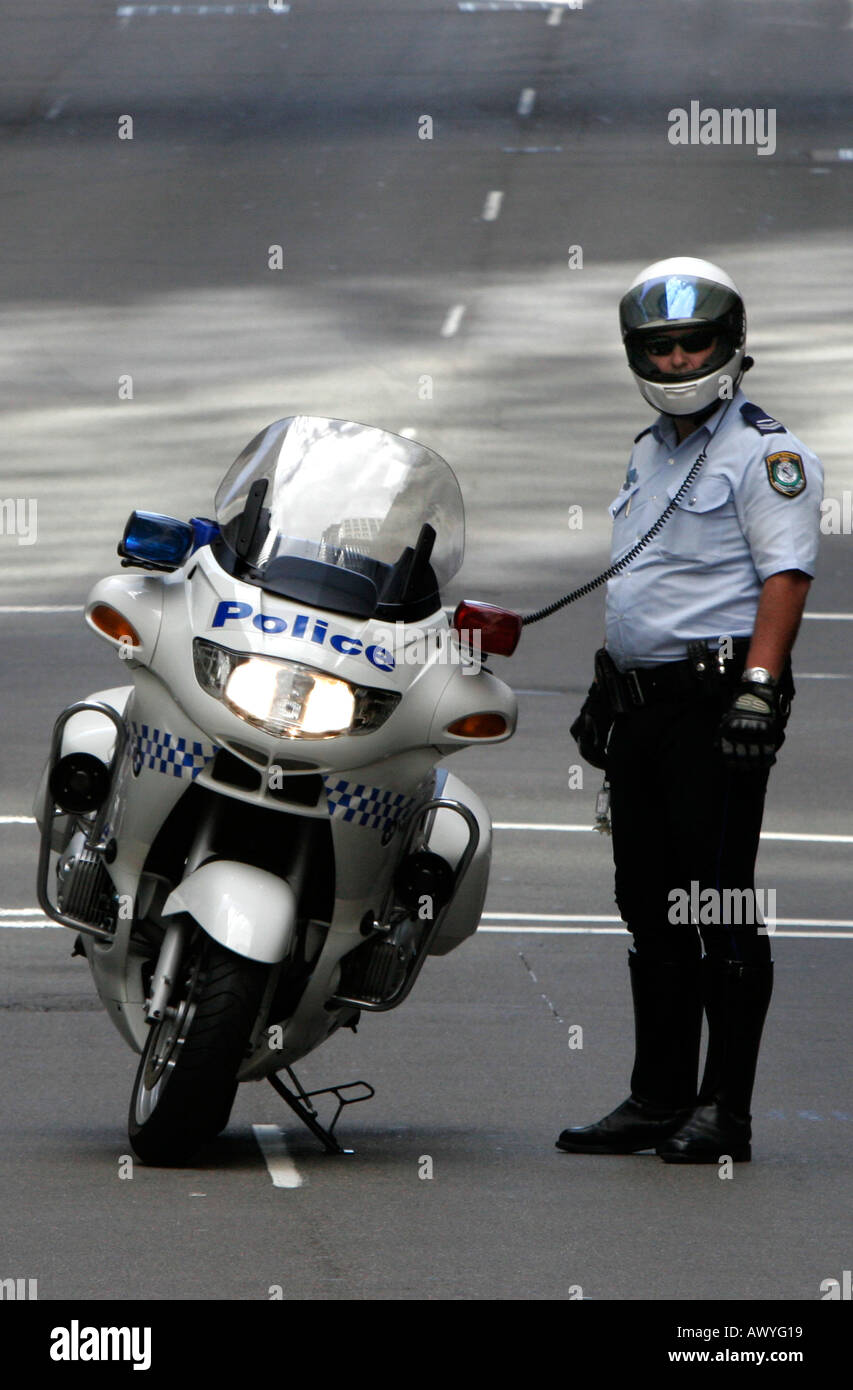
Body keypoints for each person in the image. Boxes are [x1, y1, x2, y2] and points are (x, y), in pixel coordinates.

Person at [556, 256, 823, 1163]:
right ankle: (657, 1095)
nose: (674, 362)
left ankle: (726, 1114)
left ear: (729, 343)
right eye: (657, 347)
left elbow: (785, 576)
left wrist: (758, 689)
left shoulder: (766, 453)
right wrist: (608, 687)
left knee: (713, 902)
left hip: (716, 706)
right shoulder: (646, 452)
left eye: (691, 344)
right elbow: (647, 584)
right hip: (642, 708)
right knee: (646, 900)